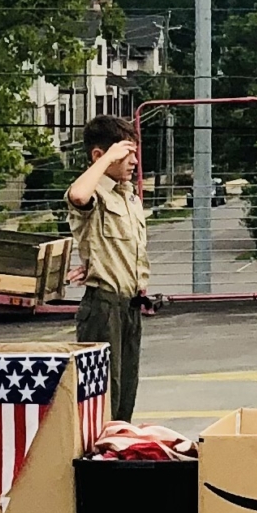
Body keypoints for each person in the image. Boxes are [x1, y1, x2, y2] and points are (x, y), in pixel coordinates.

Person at [66, 113, 150, 422]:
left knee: (126, 393)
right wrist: (104, 161)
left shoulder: (128, 197)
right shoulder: (96, 193)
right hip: (103, 306)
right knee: (104, 397)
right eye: (126, 154)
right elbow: (78, 195)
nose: (133, 162)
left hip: (129, 305)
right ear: (100, 155)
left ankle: (117, 457)